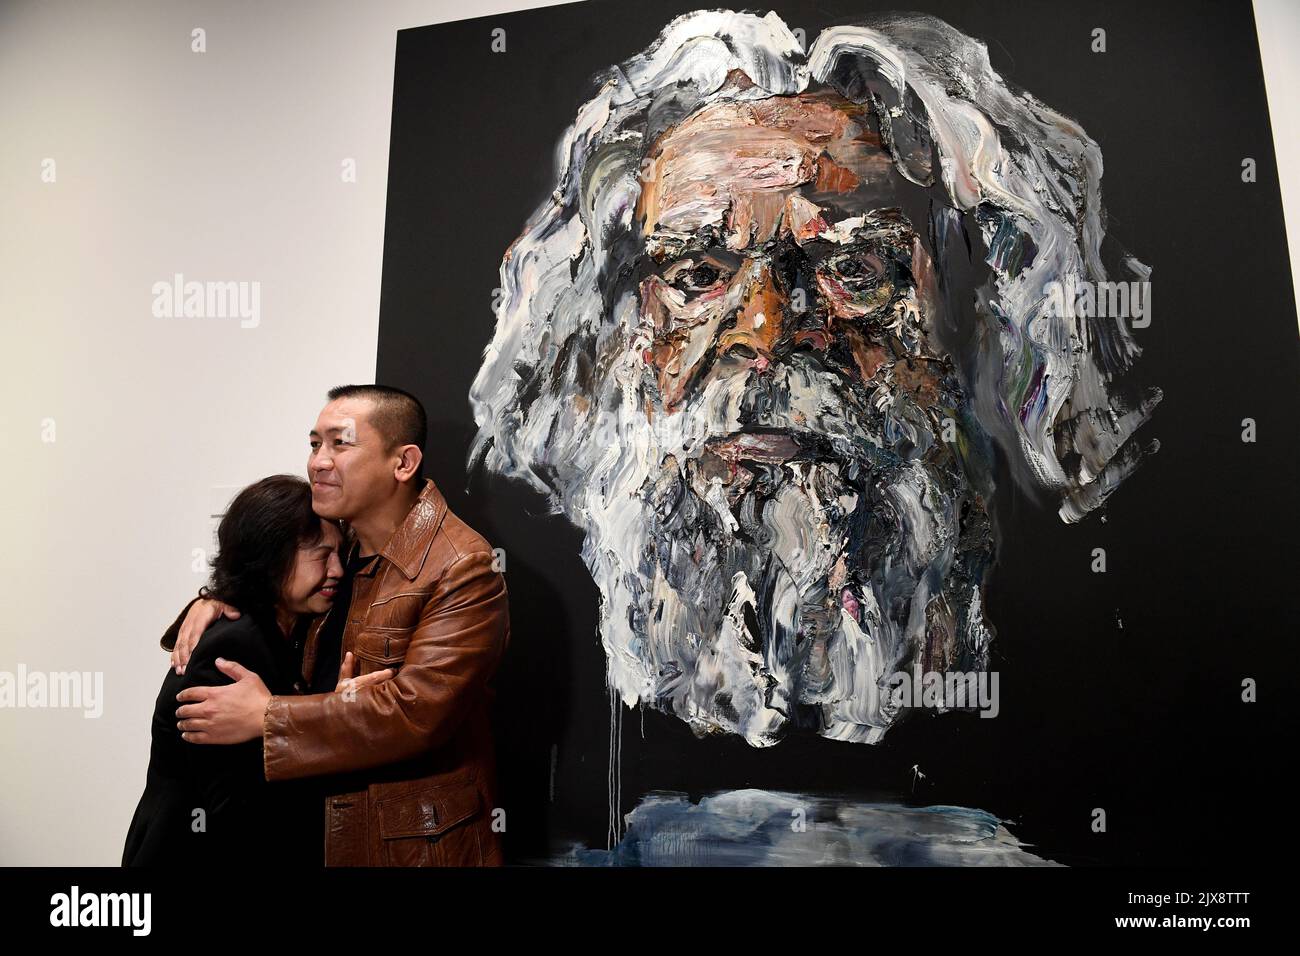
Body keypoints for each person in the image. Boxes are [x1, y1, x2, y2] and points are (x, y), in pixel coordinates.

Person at [467, 10, 1161, 747]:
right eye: (697, 275)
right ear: (622, 332)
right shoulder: (553, 649)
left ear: (976, 309)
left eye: (853, 272)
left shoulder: (1096, 649)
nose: (765, 337)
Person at [165, 385, 510, 866]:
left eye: (339, 444)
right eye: (313, 444)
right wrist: (221, 597)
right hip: (315, 832)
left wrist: (268, 716)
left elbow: (417, 715)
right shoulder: (337, 541)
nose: (318, 462)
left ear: (403, 463)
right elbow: (271, 571)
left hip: (410, 848)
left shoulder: (463, 566)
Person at [122, 474, 390, 866]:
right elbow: (241, 812)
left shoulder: (289, 631)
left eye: (340, 554)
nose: (337, 570)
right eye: (320, 554)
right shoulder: (235, 645)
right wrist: (340, 724)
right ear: (271, 556)